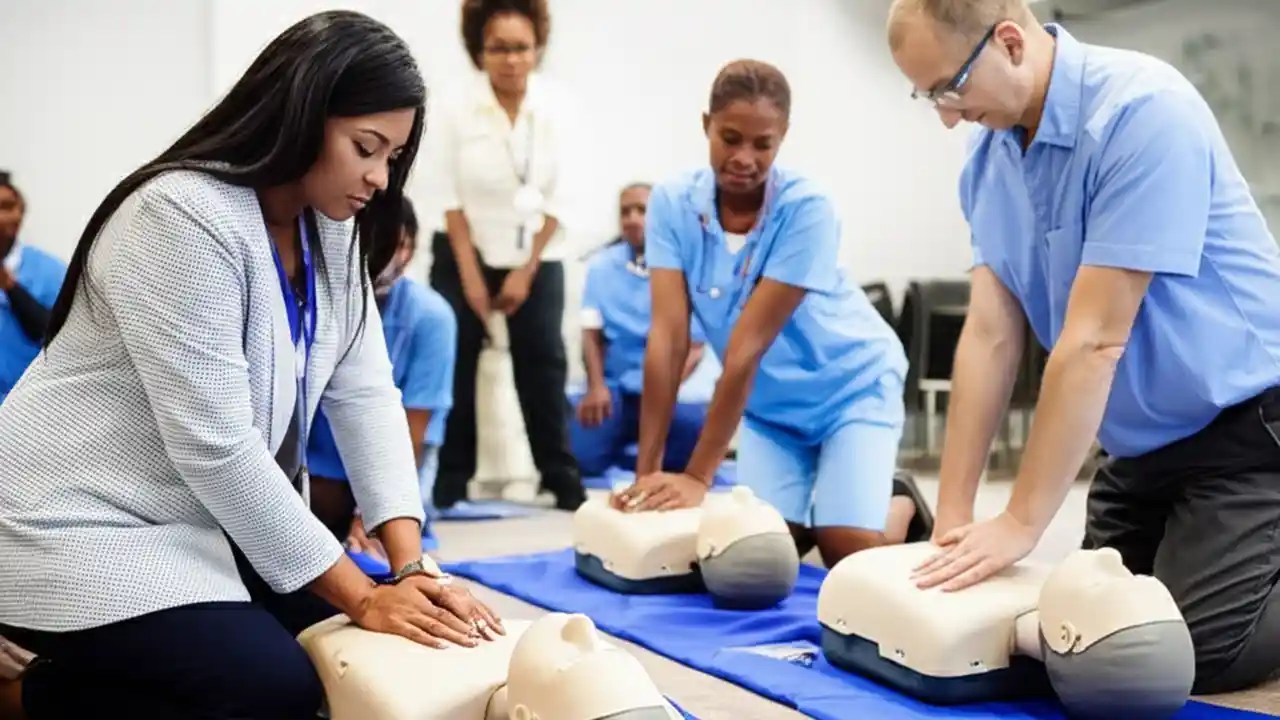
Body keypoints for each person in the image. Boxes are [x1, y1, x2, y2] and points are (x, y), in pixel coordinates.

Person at [0, 12, 503, 720]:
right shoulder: (179, 215)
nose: (379, 179)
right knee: (272, 687)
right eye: (367, 148)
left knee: (347, 649)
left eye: (392, 156)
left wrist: (411, 567)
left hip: (200, 524)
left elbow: (366, 394)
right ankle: (23, 694)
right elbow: (218, 450)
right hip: (75, 524)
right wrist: (364, 593)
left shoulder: (328, 226)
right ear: (303, 113)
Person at [887, 0, 1280, 694]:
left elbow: (1095, 340)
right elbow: (989, 335)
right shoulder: (988, 159)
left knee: (1192, 657)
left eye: (950, 88)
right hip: (1140, 450)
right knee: (1092, 639)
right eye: (927, 96)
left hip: (1248, 431)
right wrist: (951, 520)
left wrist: (1020, 520)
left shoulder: (1142, 112)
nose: (946, 115)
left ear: (1009, 42)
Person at [610, 60, 934, 569]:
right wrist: (646, 473)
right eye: (730, 137)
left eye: (763, 144)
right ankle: (813, 508)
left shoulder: (808, 209)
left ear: (783, 138)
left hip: (849, 388)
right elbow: (668, 339)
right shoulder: (673, 203)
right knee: (754, 554)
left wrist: (698, 476)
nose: (744, 157)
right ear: (706, 125)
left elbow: (745, 348)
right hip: (770, 409)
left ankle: (899, 505)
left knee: (845, 552)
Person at [426, 0, 586, 511]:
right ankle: (450, 477)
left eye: (521, 48)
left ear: (538, 48)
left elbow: (564, 196)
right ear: (479, 50)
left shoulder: (559, 106)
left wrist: (526, 269)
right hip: (462, 249)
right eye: (498, 48)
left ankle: (559, 475)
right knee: (455, 359)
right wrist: (472, 280)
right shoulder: (454, 106)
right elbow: (447, 198)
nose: (511, 60)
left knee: (544, 362)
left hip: (537, 251)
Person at [307, 195, 457, 559]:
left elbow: (413, 429)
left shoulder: (431, 316)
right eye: (377, 241)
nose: (388, 254)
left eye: (401, 245)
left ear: (413, 249)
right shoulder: (318, 299)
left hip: (399, 456)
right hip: (318, 456)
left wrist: (373, 514)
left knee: (387, 551)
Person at [571, 182, 709, 477]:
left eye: (642, 211)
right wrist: (596, 386)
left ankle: (643, 454)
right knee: (584, 459)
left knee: (692, 449)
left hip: (669, 388)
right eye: (625, 212)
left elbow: (695, 348)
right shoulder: (601, 268)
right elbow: (591, 335)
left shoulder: (686, 269)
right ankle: (628, 452)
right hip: (617, 388)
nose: (632, 218)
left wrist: (664, 391)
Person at [0, 173, 67, 406]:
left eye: (8, 207)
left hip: (28, 408)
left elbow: (57, 333)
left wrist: (9, 286)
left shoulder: (50, 272)